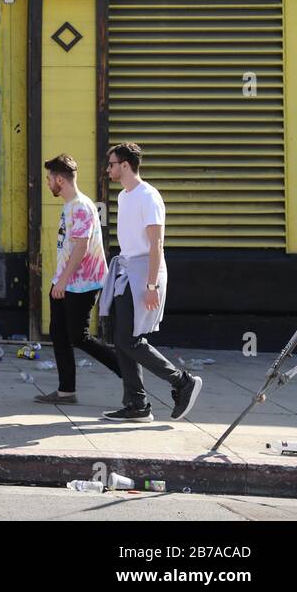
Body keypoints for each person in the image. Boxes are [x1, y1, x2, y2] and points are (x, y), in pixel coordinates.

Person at [98, 142, 202, 422]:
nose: (108, 169)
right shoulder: (123, 196)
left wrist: (152, 285)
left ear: (125, 165)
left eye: (111, 164)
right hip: (126, 270)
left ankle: (182, 382)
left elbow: (157, 244)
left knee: (130, 339)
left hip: (145, 271)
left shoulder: (148, 196)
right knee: (121, 340)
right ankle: (137, 405)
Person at [35, 154, 123, 404]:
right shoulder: (70, 205)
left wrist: (62, 281)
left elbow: (81, 247)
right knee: (59, 335)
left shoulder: (81, 206)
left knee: (78, 336)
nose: (47, 183)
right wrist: (59, 280)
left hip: (82, 283)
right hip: (66, 280)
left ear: (60, 180)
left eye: (49, 179)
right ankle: (66, 391)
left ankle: (127, 372)